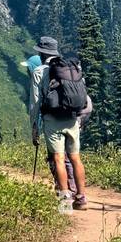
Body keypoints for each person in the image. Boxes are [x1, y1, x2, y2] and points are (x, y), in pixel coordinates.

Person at [28, 36, 89, 211]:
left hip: (52, 120)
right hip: (71, 119)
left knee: (58, 159)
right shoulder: (71, 68)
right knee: (76, 158)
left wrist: (34, 127)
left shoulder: (40, 71)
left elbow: (35, 102)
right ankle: (81, 199)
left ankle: (65, 202)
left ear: (41, 53)